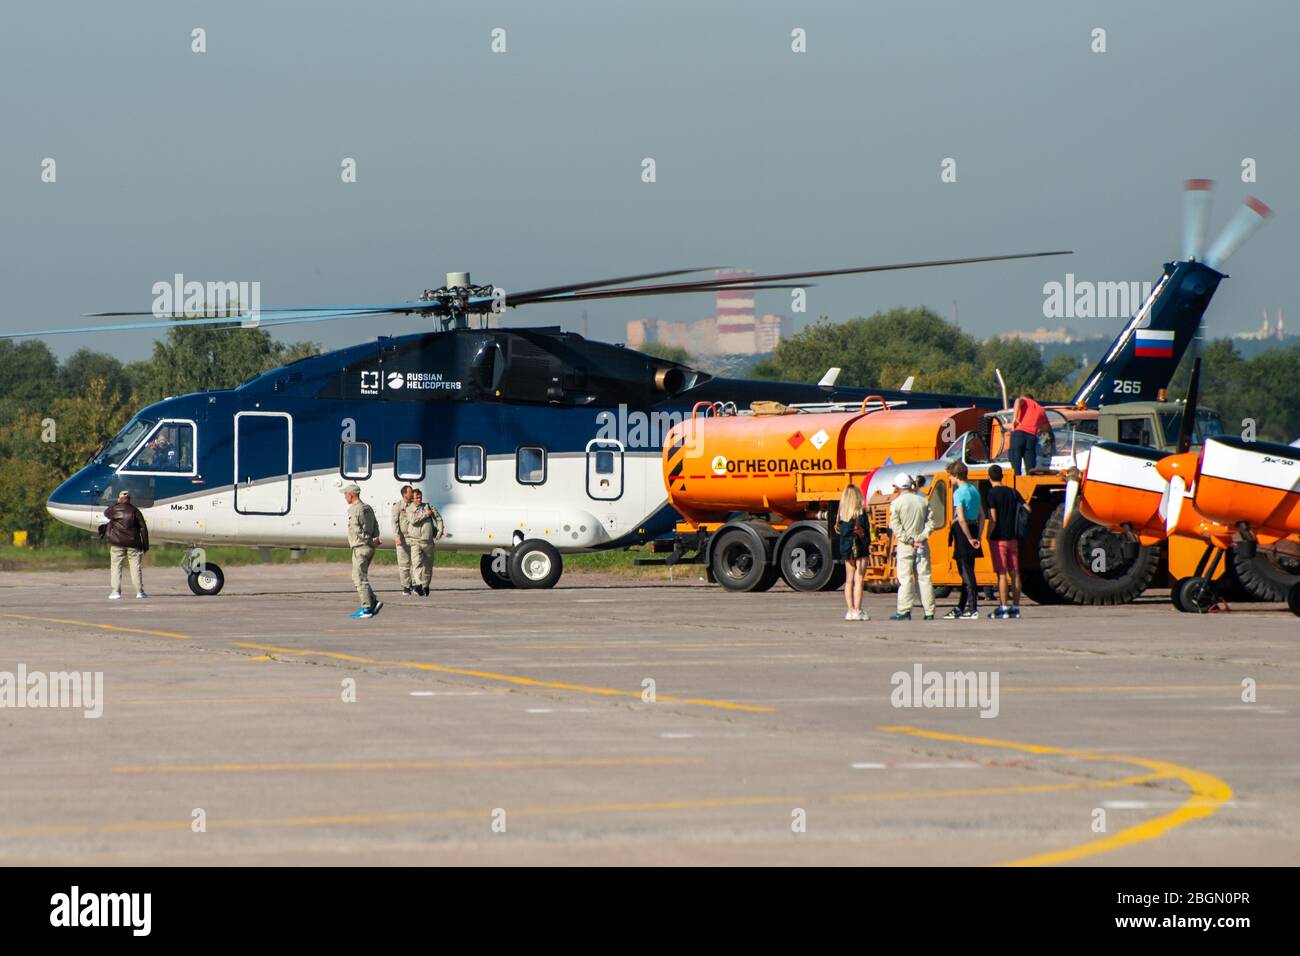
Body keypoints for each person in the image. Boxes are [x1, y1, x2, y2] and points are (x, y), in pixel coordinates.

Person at [888, 474, 936, 621]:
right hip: (922, 544)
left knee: (905, 578)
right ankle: (929, 611)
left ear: (898, 487)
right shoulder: (923, 501)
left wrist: (909, 540)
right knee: (925, 578)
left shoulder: (896, 504)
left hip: (906, 546)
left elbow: (895, 526)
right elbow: (931, 523)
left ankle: (904, 611)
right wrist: (921, 536)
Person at [944, 461, 983, 619]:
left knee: (965, 572)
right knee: (968, 570)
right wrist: (977, 537)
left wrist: (968, 538)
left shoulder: (958, 493)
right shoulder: (974, 490)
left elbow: (960, 519)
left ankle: (973, 608)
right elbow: (982, 515)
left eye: (950, 476)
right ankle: (961, 607)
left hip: (963, 531)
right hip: (974, 527)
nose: (949, 478)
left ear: (956, 475)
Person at [986, 464, 1023, 619]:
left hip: (998, 538)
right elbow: (1027, 508)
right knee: (1014, 572)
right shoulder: (1013, 492)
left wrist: (988, 534)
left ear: (989, 477)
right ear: (1002, 476)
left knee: (1001, 573)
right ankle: (1015, 607)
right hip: (1013, 538)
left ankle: (1003, 607)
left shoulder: (992, 494)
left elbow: (993, 518)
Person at [343, 483, 383, 618]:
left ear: (351, 495)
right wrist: (375, 538)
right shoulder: (367, 508)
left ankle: (366, 609)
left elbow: (357, 529)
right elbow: (376, 524)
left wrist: (368, 540)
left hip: (360, 547)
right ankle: (373, 602)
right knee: (360, 576)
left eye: (345, 494)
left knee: (359, 578)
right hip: (369, 547)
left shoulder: (354, 510)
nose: (345, 497)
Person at [101, 490, 149, 600]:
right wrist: (145, 545)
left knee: (116, 567)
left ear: (119, 499)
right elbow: (143, 528)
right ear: (130, 499)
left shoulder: (114, 509)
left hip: (117, 543)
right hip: (134, 543)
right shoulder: (135, 511)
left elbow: (106, 513)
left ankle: (115, 592)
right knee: (135, 568)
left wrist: (116, 503)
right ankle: (139, 592)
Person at [836, 484, 870, 621]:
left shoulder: (842, 515)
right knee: (859, 579)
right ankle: (858, 610)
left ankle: (850, 610)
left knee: (848, 580)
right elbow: (867, 533)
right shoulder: (861, 513)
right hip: (860, 548)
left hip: (846, 549)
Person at [403, 488, 444, 597]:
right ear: (412, 499)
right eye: (417, 497)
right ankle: (419, 585)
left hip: (428, 542)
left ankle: (426, 586)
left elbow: (438, 518)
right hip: (415, 541)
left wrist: (440, 531)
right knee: (416, 564)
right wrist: (426, 514)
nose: (419, 499)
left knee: (428, 566)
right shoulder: (409, 509)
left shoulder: (428, 506)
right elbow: (413, 520)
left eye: (420, 497)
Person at [1009, 392, 1049, 476]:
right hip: (1031, 438)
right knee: (1030, 467)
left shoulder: (1025, 401)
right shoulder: (1041, 409)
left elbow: (1017, 401)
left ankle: (1016, 485)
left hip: (1018, 435)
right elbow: (1046, 428)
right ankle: (1030, 484)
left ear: (1025, 398)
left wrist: (1015, 418)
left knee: (1015, 463)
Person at [391, 485, 415, 595]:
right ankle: (406, 586)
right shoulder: (398, 506)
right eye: (410, 492)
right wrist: (396, 537)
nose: (412, 494)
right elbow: (394, 523)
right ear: (404, 494)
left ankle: (416, 585)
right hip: (403, 539)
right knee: (404, 564)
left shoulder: (415, 505)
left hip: (414, 538)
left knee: (416, 563)